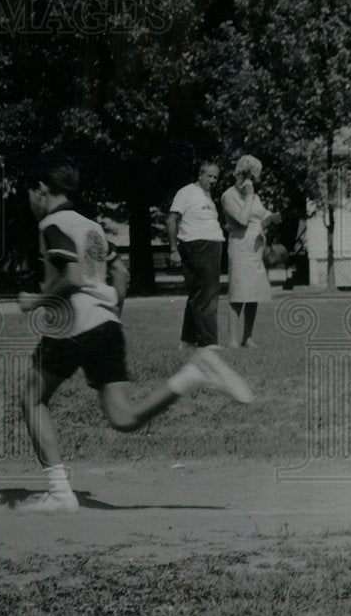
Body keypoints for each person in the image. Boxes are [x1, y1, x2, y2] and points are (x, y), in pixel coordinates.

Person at [18, 162, 254, 514]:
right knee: (124, 418)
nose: (30, 202)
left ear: (40, 188)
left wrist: (36, 300)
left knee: (31, 398)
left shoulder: (52, 224)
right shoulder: (91, 226)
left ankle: (60, 492)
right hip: (104, 325)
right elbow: (120, 271)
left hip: (70, 326)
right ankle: (194, 374)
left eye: (30, 195)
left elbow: (72, 276)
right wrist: (112, 316)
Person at [221, 155, 281, 348]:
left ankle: (247, 337)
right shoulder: (228, 196)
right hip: (239, 247)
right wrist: (247, 197)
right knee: (238, 292)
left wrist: (272, 218)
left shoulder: (255, 196)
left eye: (254, 177)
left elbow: (262, 214)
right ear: (240, 174)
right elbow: (242, 220)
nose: (252, 181)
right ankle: (232, 339)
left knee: (253, 293)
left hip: (256, 248)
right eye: (249, 176)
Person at [167, 162, 225, 349]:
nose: (213, 181)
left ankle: (188, 340)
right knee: (208, 293)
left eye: (216, 177)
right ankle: (208, 342)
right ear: (200, 175)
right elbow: (171, 220)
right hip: (197, 245)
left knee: (198, 294)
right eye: (209, 176)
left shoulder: (208, 198)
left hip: (212, 244)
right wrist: (174, 249)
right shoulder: (186, 193)